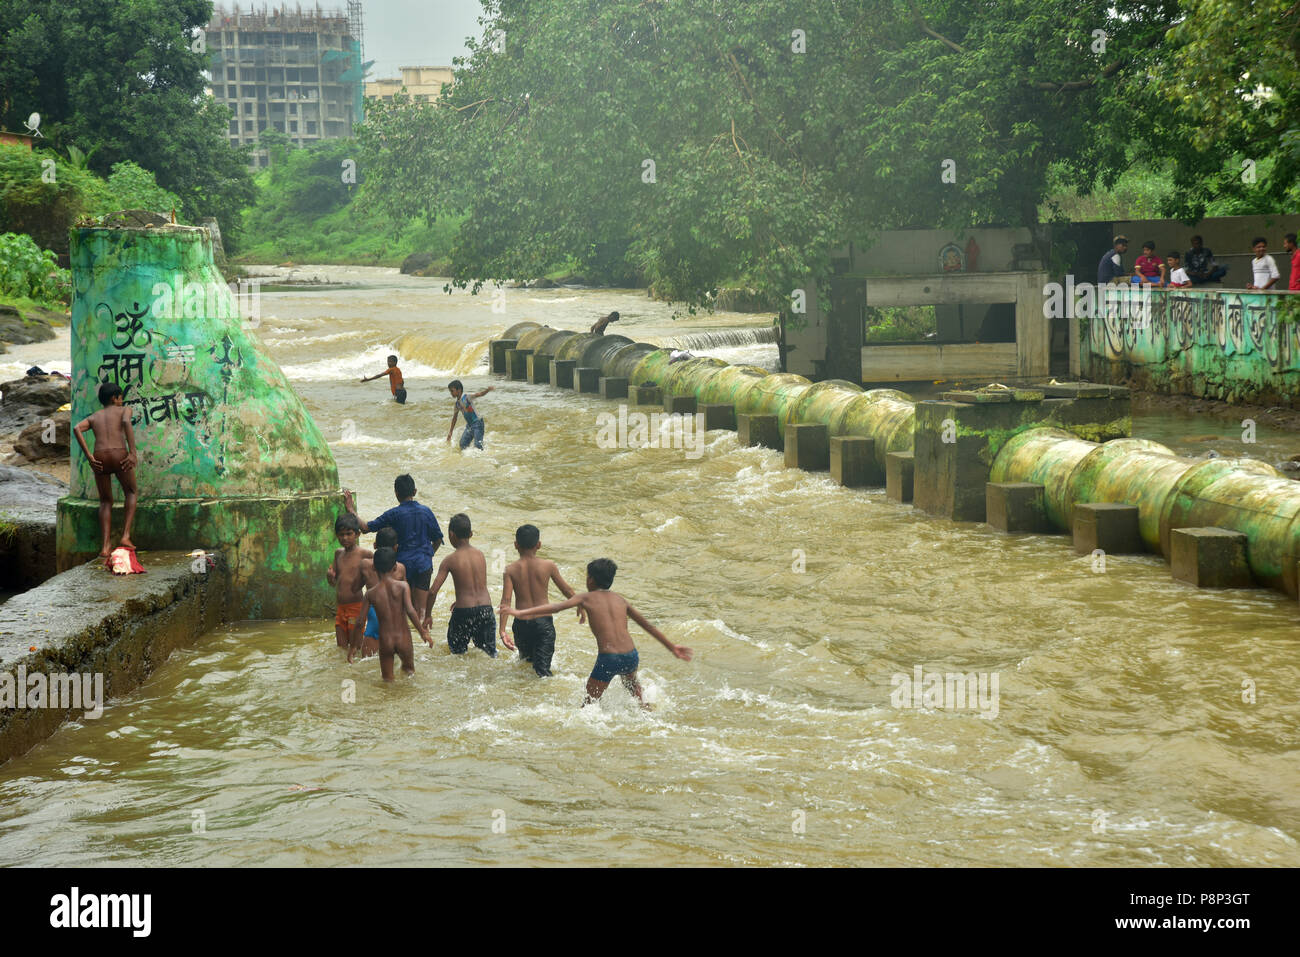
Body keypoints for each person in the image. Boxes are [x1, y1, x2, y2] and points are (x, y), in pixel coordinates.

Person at [506, 558, 692, 708]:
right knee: (634, 691)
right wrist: (672, 647)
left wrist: (519, 612)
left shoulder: (586, 597)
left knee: (588, 706)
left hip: (609, 659)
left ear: (590, 580)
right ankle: (646, 710)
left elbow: (555, 607)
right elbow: (648, 626)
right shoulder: (620, 600)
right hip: (631, 656)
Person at [343, 475, 443, 625]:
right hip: (424, 564)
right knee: (420, 611)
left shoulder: (394, 514)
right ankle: (423, 639)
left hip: (402, 566)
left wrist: (351, 509)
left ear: (396, 493)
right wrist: (428, 555)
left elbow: (365, 528)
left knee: (402, 611)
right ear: (415, 491)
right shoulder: (426, 512)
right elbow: (437, 540)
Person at [497, 523, 584, 677]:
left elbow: (506, 600)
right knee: (542, 672)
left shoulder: (510, 570)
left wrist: (502, 631)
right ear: (539, 545)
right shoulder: (548, 565)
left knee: (526, 665)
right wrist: (580, 605)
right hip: (543, 625)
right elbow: (566, 590)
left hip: (521, 625)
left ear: (516, 545)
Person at [72, 382, 139, 562]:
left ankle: (105, 547)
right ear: (115, 397)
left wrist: (89, 457)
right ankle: (125, 536)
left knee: (105, 501)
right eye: (120, 398)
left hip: (99, 456)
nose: (121, 401)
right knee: (131, 492)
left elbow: (77, 428)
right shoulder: (124, 410)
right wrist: (132, 452)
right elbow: (126, 422)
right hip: (119, 453)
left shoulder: (95, 416)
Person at [348, 547, 429, 681]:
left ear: (373, 567)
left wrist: (354, 646)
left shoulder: (370, 594)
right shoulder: (403, 586)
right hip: (404, 639)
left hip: (386, 641)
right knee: (410, 673)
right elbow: (410, 610)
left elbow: (360, 622)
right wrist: (423, 632)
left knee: (387, 680)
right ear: (395, 567)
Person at [428, 513, 497, 656]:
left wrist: (427, 615)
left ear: (451, 535)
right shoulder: (480, 555)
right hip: (486, 609)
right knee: (488, 654)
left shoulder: (450, 560)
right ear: (471, 534)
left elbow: (433, 591)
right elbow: (477, 586)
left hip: (464, 612)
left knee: (457, 654)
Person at [326, 513, 371, 651]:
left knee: (355, 647)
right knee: (341, 647)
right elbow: (334, 583)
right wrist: (330, 577)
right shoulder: (338, 553)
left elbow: (380, 570)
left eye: (348, 534)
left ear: (357, 534)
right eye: (341, 534)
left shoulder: (364, 554)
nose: (344, 538)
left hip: (356, 607)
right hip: (341, 608)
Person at [359, 527, 405, 658]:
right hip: (395, 618)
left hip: (375, 614)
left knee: (367, 663)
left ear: (375, 545)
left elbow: (355, 588)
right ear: (396, 548)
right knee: (395, 665)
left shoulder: (365, 564)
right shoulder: (400, 568)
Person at [447, 380, 493, 451]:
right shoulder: (457, 404)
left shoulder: (467, 397)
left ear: (459, 390)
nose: (451, 393)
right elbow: (454, 418)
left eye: (452, 391)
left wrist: (487, 390)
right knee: (463, 444)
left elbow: (479, 394)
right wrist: (450, 432)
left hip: (478, 423)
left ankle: (483, 459)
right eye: (450, 391)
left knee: (478, 446)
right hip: (469, 426)